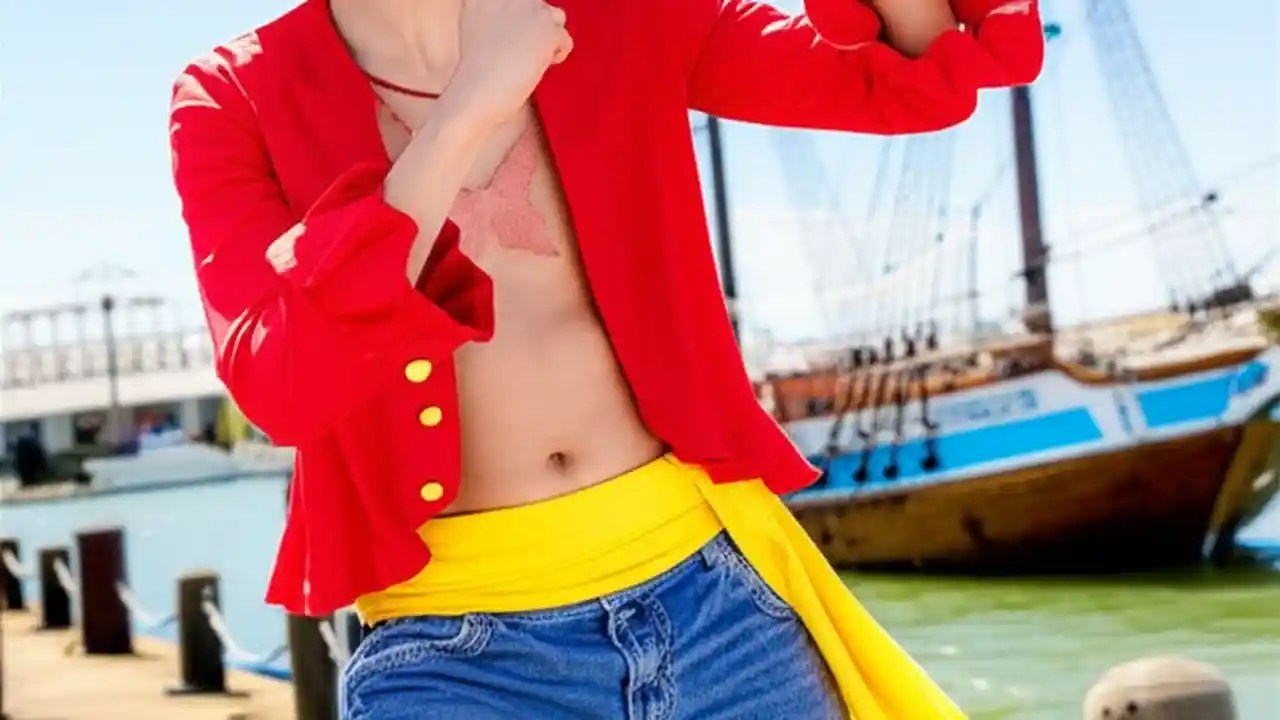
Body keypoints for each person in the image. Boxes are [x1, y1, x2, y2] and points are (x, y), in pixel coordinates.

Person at [169, 0, 1042, 716]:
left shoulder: (620, 15)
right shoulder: (232, 97)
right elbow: (280, 383)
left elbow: (904, 76)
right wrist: (471, 105)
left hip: (719, 612)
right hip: (454, 652)